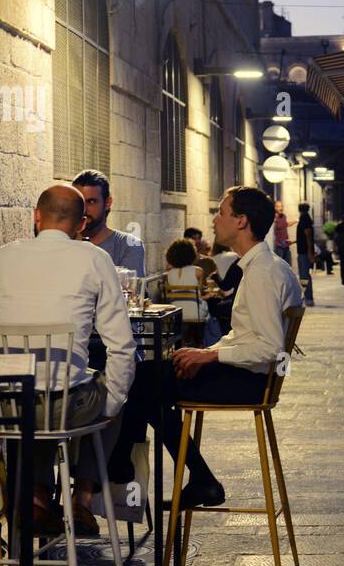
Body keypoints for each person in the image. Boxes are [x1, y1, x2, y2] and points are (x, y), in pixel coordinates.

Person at [115, 185, 303, 510]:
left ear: (241, 221)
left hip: (249, 382)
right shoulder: (262, 266)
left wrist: (211, 354)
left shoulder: (261, 273)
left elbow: (269, 348)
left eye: (222, 212)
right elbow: (245, 337)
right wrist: (202, 353)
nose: (215, 220)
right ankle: (192, 478)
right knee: (149, 379)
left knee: (141, 380)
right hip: (246, 373)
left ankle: (118, 466)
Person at [0, 185, 137, 537]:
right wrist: (112, 402)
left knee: (38, 393)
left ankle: (35, 498)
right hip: (64, 408)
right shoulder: (95, 259)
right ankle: (81, 498)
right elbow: (123, 348)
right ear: (81, 224)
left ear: (36, 216)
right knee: (88, 392)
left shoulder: (1, 257)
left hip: (5, 406)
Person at [73, 169, 145, 277]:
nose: (84, 209)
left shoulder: (128, 245)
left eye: (91, 202)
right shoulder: (63, 242)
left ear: (107, 203)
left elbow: (128, 289)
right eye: (79, 202)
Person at [294, 203, 316, 307]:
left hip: (304, 252)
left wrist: (310, 252)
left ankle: (308, 298)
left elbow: (308, 236)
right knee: (305, 275)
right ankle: (307, 297)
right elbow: (304, 236)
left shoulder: (304, 219)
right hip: (303, 251)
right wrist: (294, 241)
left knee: (304, 275)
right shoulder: (306, 218)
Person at [271, 200, 292, 265]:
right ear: (275, 208)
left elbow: (285, 225)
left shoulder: (284, 216)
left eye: (282, 206)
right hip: (279, 246)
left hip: (286, 245)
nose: (281, 208)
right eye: (278, 206)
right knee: (280, 266)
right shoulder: (273, 218)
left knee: (288, 266)